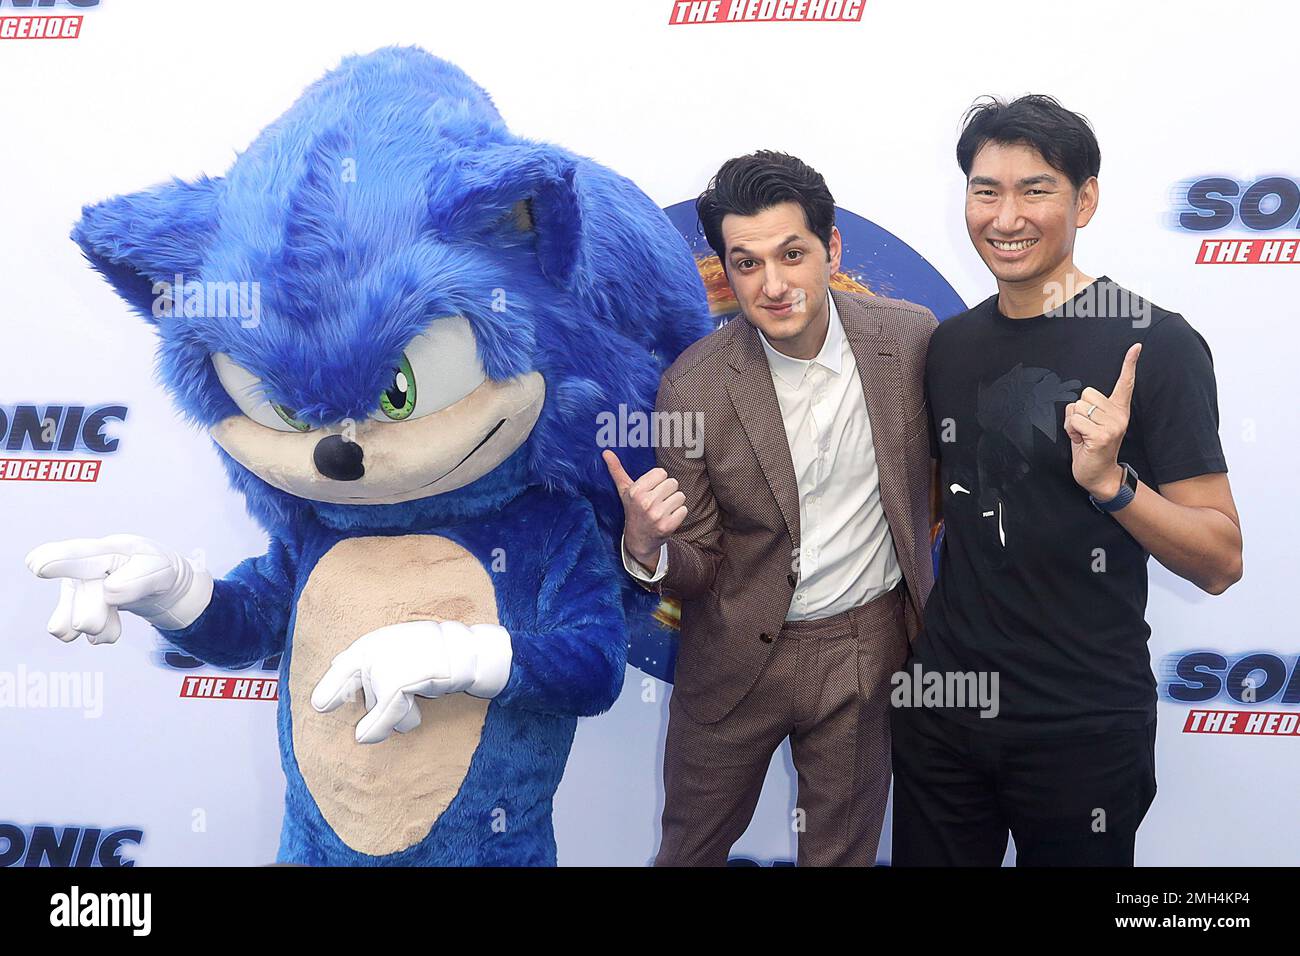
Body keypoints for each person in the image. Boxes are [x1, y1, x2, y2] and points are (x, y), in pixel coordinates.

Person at [891, 95, 1244, 866]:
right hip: (943, 716)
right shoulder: (948, 345)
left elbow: (1220, 560)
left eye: (1035, 189)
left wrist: (1113, 483)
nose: (1005, 215)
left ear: (1085, 197)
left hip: (1081, 726)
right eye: (986, 191)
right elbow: (940, 510)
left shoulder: (1157, 344)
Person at [602, 150, 937, 865]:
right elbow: (695, 564)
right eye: (747, 263)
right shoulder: (692, 388)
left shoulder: (909, 340)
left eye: (792, 254)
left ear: (832, 248)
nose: (774, 284)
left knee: (841, 857)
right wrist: (645, 546)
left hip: (866, 649)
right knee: (688, 850)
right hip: (732, 656)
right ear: (726, 270)